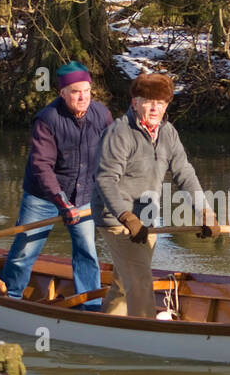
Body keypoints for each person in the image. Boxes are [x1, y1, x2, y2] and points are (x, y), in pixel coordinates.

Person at [93, 73, 219, 317]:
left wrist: (205, 211)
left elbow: (185, 173)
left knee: (124, 282)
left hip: (147, 220)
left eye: (160, 103)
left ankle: (106, 329)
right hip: (116, 220)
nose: (154, 108)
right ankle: (146, 334)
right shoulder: (119, 133)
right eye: (148, 101)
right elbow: (105, 179)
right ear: (134, 102)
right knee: (140, 281)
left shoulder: (168, 133)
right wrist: (126, 216)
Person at [0, 61, 113, 309]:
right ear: (62, 93)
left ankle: (91, 304)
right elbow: (41, 166)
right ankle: (10, 298)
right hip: (43, 198)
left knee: (87, 251)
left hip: (83, 196)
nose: (82, 97)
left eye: (86, 90)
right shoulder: (47, 120)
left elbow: (113, 155)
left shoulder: (102, 115)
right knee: (25, 250)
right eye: (75, 91)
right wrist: (62, 202)